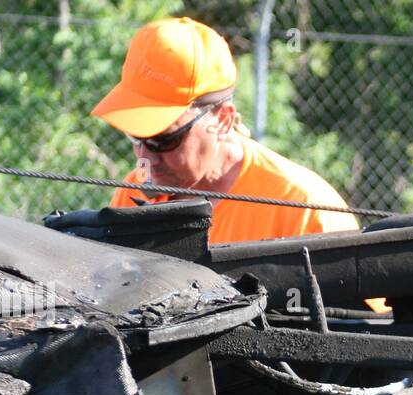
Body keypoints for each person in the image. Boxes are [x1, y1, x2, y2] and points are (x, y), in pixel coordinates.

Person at [91, 16, 358, 243]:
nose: (145, 157)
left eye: (164, 140)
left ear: (222, 120)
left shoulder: (300, 207)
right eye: (136, 135)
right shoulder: (134, 189)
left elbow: (366, 306)